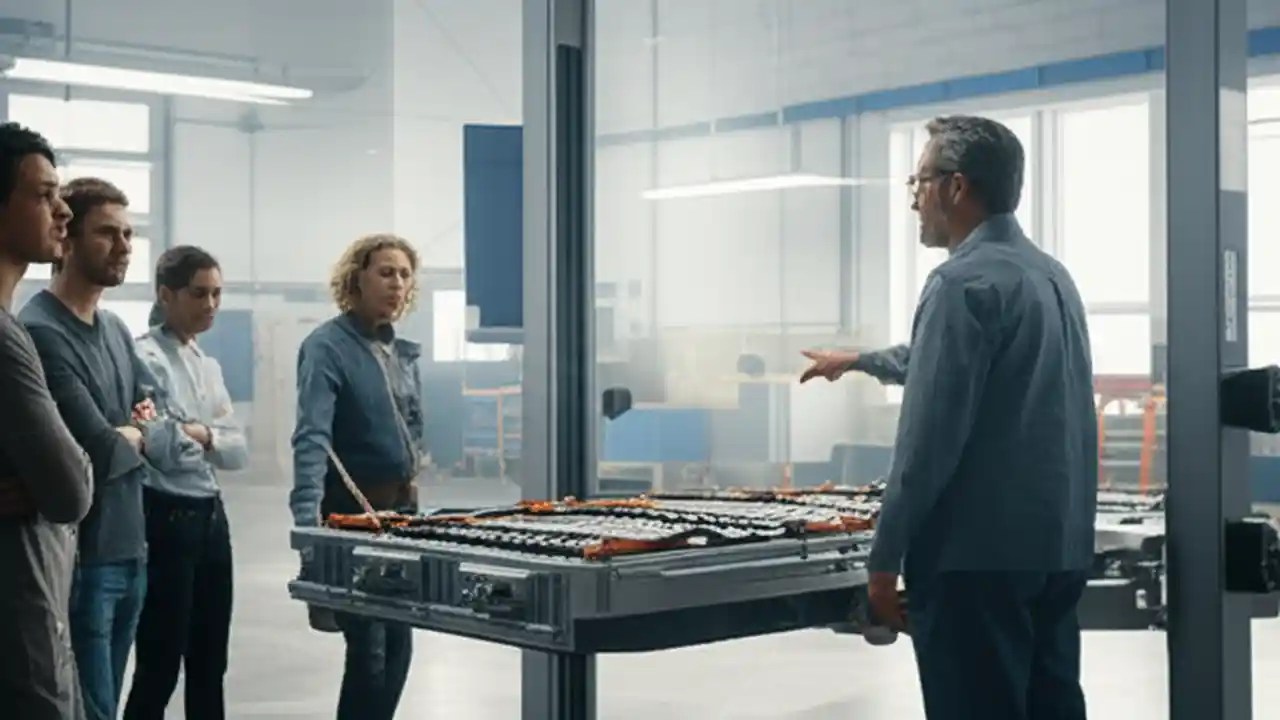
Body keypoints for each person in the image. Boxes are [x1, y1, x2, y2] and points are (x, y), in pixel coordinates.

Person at [801, 116, 1097, 720]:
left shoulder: (960, 283)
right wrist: (860, 360)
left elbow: (926, 445)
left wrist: (883, 562)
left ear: (956, 189)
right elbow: (955, 362)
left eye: (920, 180)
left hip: (975, 562)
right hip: (1056, 549)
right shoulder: (1048, 276)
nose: (915, 199)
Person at [20, 177, 194, 720]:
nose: (124, 246)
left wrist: (138, 433)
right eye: (107, 234)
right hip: (82, 558)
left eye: (129, 234)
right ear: (66, 239)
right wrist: (139, 433)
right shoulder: (41, 331)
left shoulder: (118, 330)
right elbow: (96, 450)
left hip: (131, 548)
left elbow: (167, 433)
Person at [289, 233, 426, 720]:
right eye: (385, 272)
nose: (397, 284)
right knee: (368, 651)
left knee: (398, 650)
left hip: (401, 518)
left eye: (405, 274)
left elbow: (409, 436)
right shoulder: (327, 347)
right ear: (357, 278)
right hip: (351, 519)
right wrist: (308, 531)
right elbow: (312, 438)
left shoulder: (397, 351)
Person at [123, 246, 248, 720]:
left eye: (217, 293)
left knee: (210, 662)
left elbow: (238, 450)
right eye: (199, 293)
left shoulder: (207, 365)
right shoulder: (145, 357)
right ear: (166, 295)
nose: (211, 304)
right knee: (159, 664)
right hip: (167, 518)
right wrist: (203, 436)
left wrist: (202, 431)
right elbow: (164, 447)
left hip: (213, 518)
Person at [0, 122, 94, 719]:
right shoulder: (8, 339)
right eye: (43, 194)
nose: (63, 212)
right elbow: (72, 489)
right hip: (21, 622)